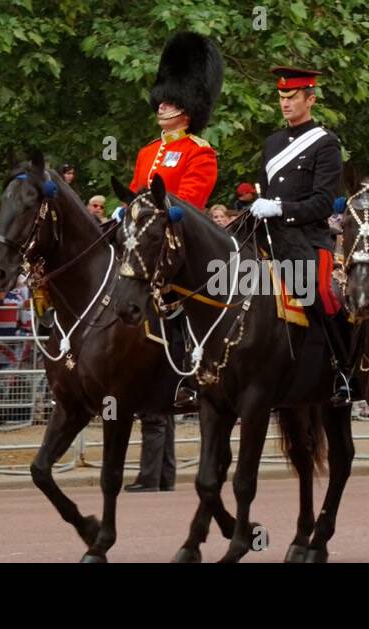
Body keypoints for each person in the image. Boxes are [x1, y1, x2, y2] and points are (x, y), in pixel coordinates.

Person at [123, 32, 223, 492]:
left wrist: (157, 215)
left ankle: (188, 371)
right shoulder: (147, 151)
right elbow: (137, 192)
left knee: (178, 304)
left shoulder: (199, 151)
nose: (161, 107)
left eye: (169, 102)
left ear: (187, 106)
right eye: (160, 101)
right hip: (144, 237)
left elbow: (192, 203)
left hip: (179, 242)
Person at [250, 64, 352, 405]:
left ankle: (344, 369)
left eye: (292, 97)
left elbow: (323, 202)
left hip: (307, 238)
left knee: (322, 291)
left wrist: (281, 209)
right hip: (267, 235)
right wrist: (259, 206)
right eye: (281, 97)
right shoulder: (272, 143)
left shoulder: (326, 143)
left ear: (310, 99)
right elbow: (265, 190)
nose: (285, 103)